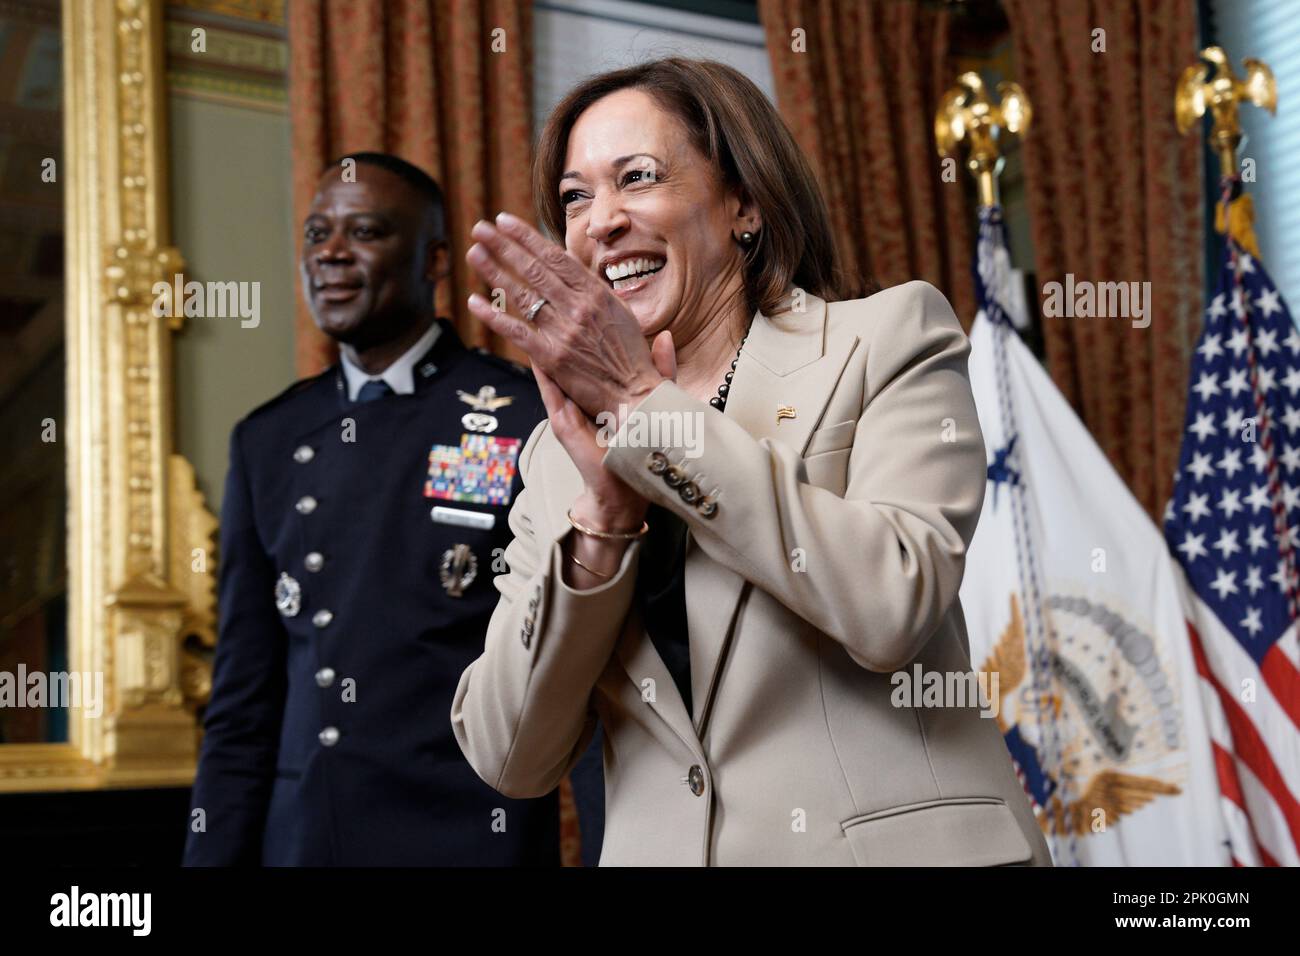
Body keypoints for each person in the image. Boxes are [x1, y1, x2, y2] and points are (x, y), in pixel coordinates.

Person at [451, 59, 1053, 866]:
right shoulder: (555, 455)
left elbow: (894, 601)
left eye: (638, 177)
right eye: (575, 197)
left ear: (745, 204)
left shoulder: (888, 339)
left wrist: (643, 409)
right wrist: (601, 527)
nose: (602, 220)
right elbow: (510, 754)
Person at [184, 152, 569, 866]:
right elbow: (243, 697)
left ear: (434, 261)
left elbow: (579, 671)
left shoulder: (524, 412)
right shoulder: (269, 438)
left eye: (364, 231)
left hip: (471, 838)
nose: (329, 253)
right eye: (315, 233)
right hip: (307, 839)